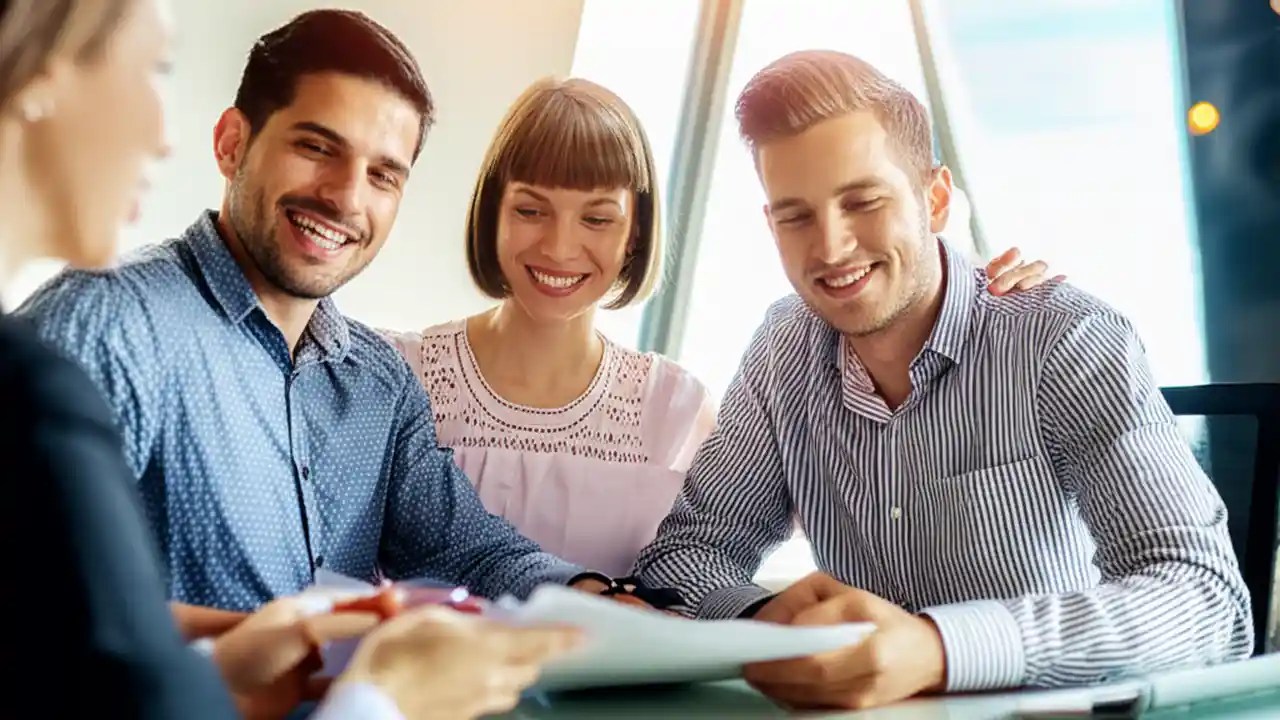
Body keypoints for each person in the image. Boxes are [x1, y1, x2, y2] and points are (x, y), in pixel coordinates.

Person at [0, 1, 581, 718]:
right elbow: (45, 626)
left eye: (383, 175)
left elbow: (473, 551)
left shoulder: (381, 381)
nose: (344, 196)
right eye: (317, 147)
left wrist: (604, 603)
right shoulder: (104, 327)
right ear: (231, 142)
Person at [632, 49, 1252, 710]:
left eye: (862, 201)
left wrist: (940, 648)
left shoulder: (1065, 339)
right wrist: (773, 624)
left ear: (934, 199)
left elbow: (1206, 600)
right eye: (796, 217)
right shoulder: (782, 350)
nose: (832, 247)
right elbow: (684, 558)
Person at [385, 76, 1055, 577]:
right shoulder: (395, 379)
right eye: (532, 210)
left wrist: (967, 287)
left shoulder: (676, 410)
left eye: (597, 217)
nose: (560, 248)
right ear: (491, 211)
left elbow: (719, 563)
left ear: (636, 232)